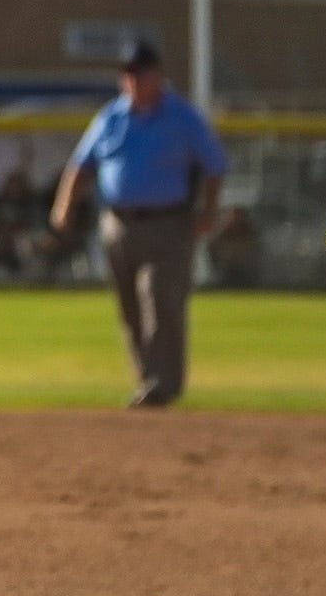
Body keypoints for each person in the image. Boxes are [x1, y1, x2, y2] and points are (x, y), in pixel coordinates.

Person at [49, 38, 227, 408]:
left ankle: (163, 384)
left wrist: (208, 212)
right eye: (128, 74)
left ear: (157, 75)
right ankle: (147, 380)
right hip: (118, 223)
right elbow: (81, 165)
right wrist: (64, 207)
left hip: (168, 223)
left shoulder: (182, 117)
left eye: (140, 73)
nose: (133, 80)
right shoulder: (111, 117)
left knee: (159, 298)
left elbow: (214, 166)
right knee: (129, 307)